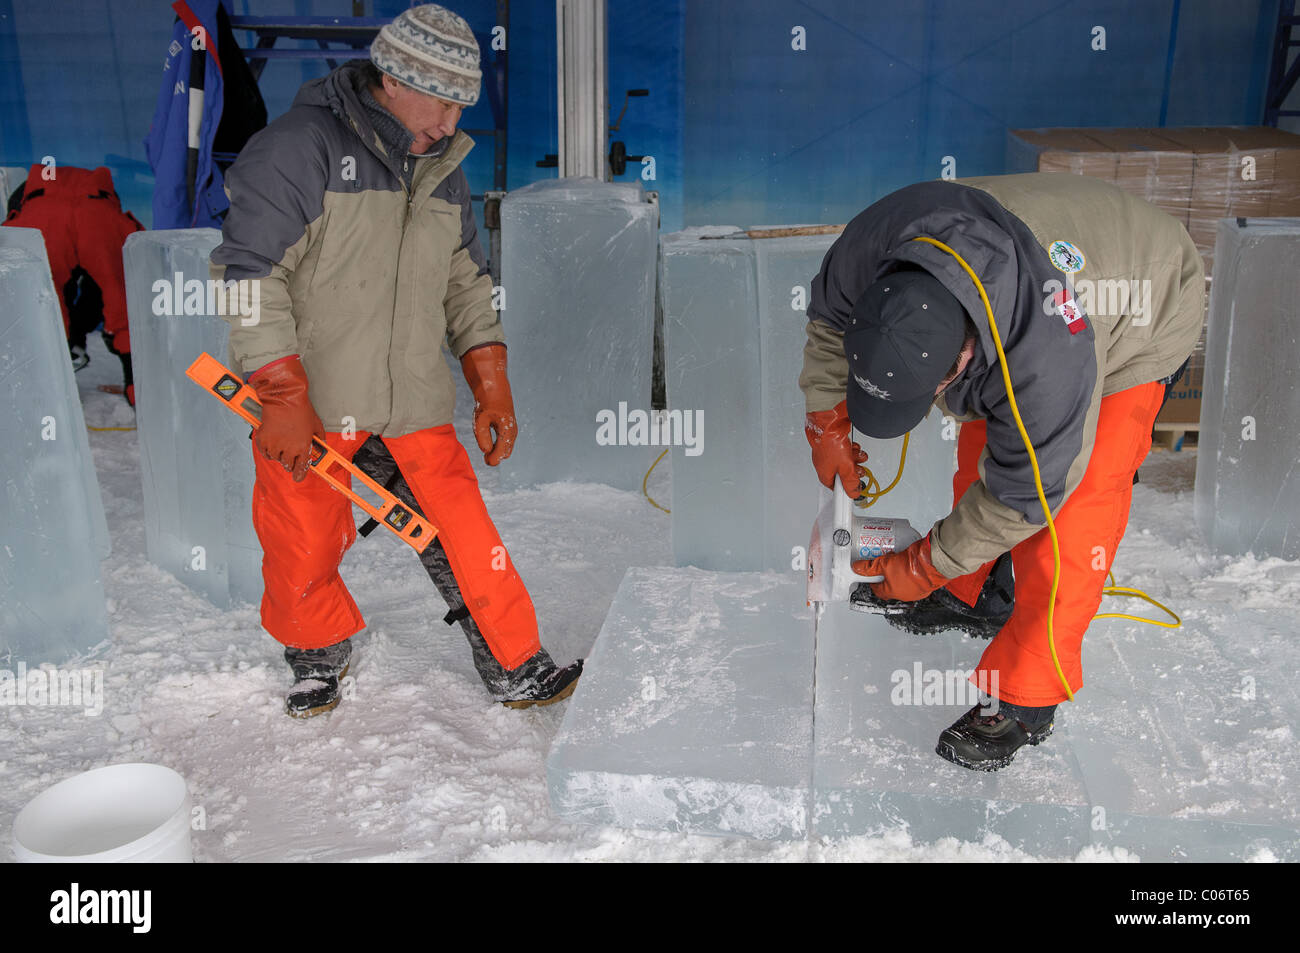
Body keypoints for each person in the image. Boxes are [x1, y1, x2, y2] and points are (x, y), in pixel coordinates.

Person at [209, 3, 581, 717]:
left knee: (466, 533)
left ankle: (516, 664)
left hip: (413, 402)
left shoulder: (444, 169)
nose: (451, 124)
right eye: (442, 103)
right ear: (394, 79)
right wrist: (281, 391)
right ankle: (316, 655)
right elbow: (250, 275)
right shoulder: (298, 149)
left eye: (461, 107)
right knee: (301, 538)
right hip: (315, 403)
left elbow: (466, 281)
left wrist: (490, 378)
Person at [800, 172, 1203, 770]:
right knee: (985, 448)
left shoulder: (1048, 361)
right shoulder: (866, 250)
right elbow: (830, 327)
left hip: (1144, 305)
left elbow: (1025, 494)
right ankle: (977, 592)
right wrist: (825, 417)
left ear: (962, 358)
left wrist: (925, 564)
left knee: (1074, 508)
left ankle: (1027, 695)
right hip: (1030, 269)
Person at [4, 167, 143, 399]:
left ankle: (45, 398)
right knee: (120, 300)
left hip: (42, 218)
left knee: (44, 299)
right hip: (98, 210)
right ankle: (142, 395)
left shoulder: (27, 212)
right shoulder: (107, 211)